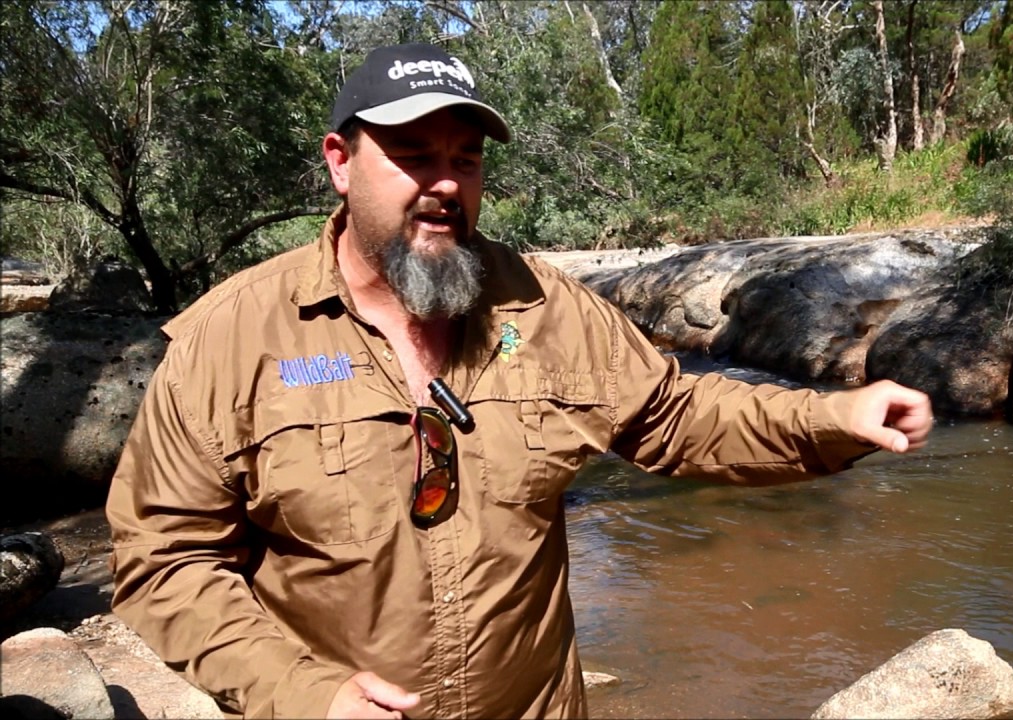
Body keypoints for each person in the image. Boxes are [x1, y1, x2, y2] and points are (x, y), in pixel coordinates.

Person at [106, 42, 932, 720]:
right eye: (412, 155)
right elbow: (165, 560)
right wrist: (306, 696)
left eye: (464, 160)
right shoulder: (232, 337)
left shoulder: (540, 304)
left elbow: (676, 415)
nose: (443, 185)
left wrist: (833, 417)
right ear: (339, 162)